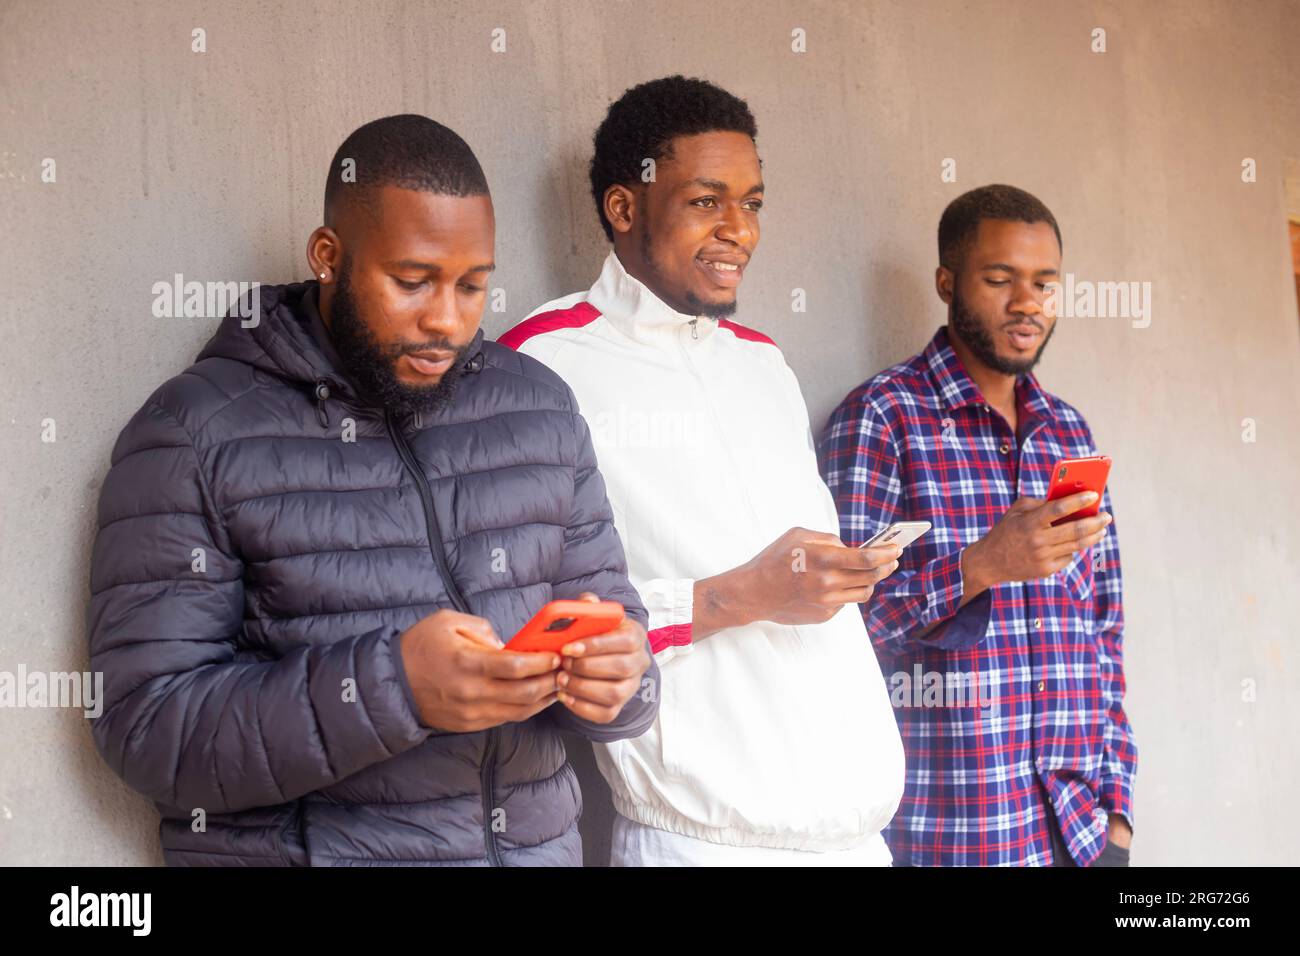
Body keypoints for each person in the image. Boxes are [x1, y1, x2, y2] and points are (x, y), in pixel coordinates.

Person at [87, 114, 656, 866]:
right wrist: (390, 689)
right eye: (412, 281)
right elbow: (146, 727)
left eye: (473, 285)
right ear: (329, 256)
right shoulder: (193, 434)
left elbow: (621, 634)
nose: (446, 321)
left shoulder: (539, 410)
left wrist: (622, 683)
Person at [501, 76, 905, 866]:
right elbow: (526, 620)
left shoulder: (764, 365)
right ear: (625, 209)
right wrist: (736, 596)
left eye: (751, 203)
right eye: (705, 201)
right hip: (700, 844)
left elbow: (793, 582)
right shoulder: (539, 365)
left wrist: (838, 574)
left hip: (858, 840)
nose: (738, 232)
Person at [819, 184, 1136, 866]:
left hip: (1079, 835)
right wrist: (979, 567)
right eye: (1000, 279)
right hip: (954, 837)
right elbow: (836, 634)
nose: (1027, 303)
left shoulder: (1069, 433)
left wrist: (1118, 817)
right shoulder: (883, 418)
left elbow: (1103, 631)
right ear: (947, 281)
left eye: (1045, 283)